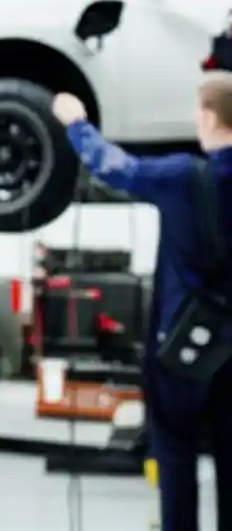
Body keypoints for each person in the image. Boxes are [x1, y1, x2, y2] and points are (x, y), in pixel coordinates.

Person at [53, 77, 232, 531]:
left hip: (181, 351)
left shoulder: (184, 177)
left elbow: (116, 168)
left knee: (176, 462)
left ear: (209, 118)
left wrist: (76, 122)